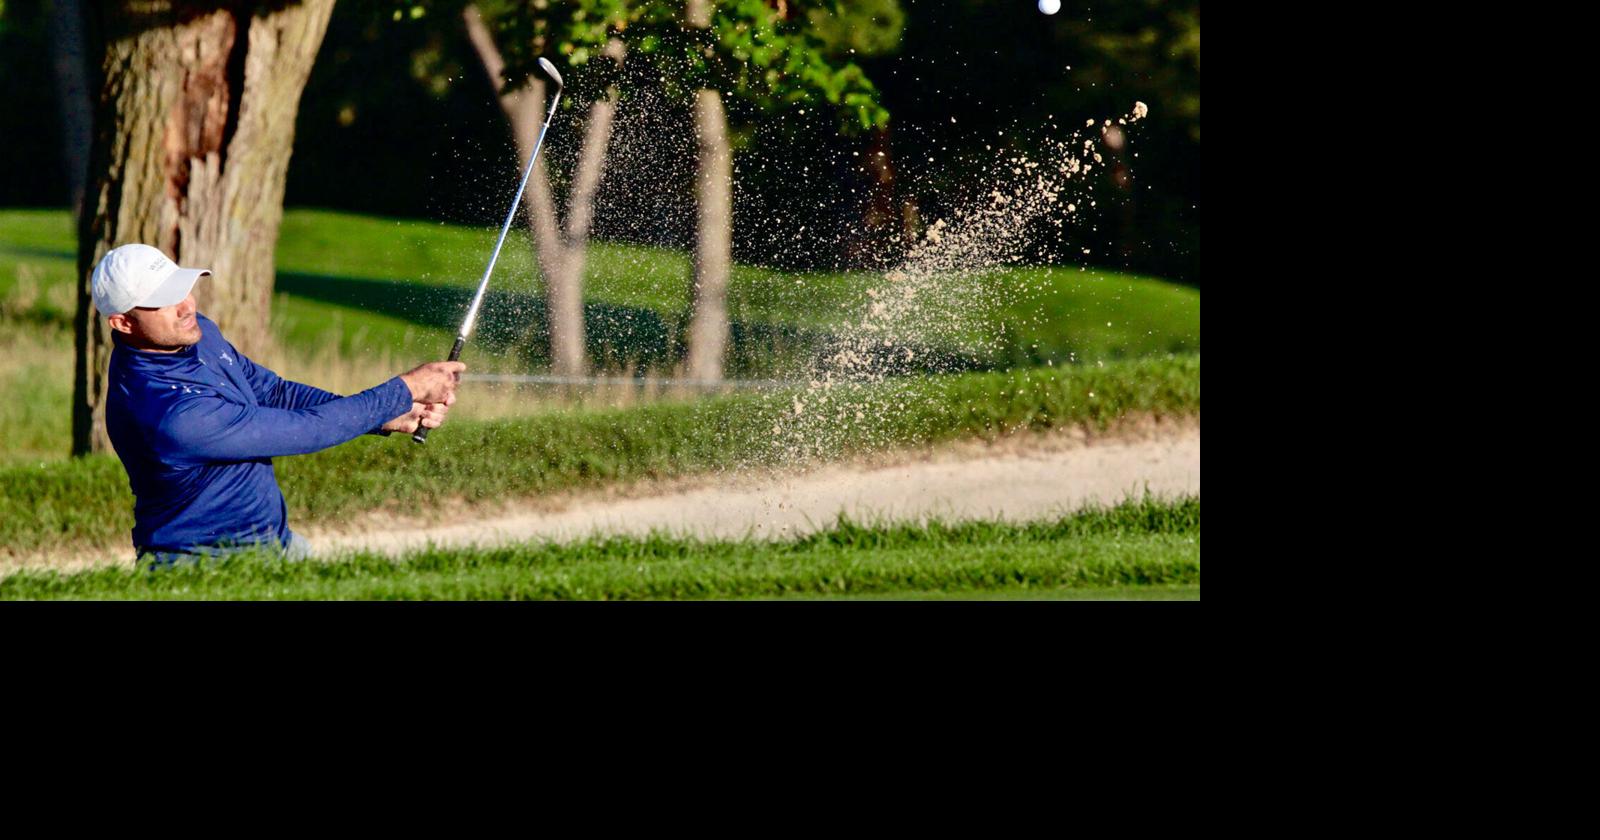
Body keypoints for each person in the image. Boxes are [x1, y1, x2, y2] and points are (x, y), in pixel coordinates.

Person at [91, 243, 465, 567]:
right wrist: (404, 389)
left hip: (274, 543)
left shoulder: (195, 336)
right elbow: (306, 431)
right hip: (201, 565)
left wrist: (386, 416)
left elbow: (274, 392)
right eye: (165, 302)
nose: (187, 305)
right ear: (123, 323)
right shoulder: (168, 413)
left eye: (183, 289)